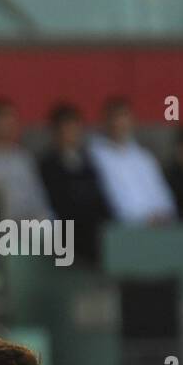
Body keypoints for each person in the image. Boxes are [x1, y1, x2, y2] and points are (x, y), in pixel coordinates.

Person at [37, 103, 112, 263]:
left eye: (75, 128)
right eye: (66, 128)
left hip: (95, 227)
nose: (71, 134)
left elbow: (100, 196)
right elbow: (57, 202)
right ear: (56, 132)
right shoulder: (48, 164)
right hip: (68, 228)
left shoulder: (89, 161)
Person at [87, 98, 176, 226]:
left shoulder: (144, 158)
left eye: (124, 117)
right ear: (105, 121)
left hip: (158, 228)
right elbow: (114, 200)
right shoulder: (96, 156)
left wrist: (161, 216)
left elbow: (165, 199)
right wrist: (142, 219)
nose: (119, 123)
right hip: (123, 230)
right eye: (115, 118)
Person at [0, 98, 52, 222]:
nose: (10, 123)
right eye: (4, 118)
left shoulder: (23, 159)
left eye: (13, 118)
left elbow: (38, 200)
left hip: (26, 229)